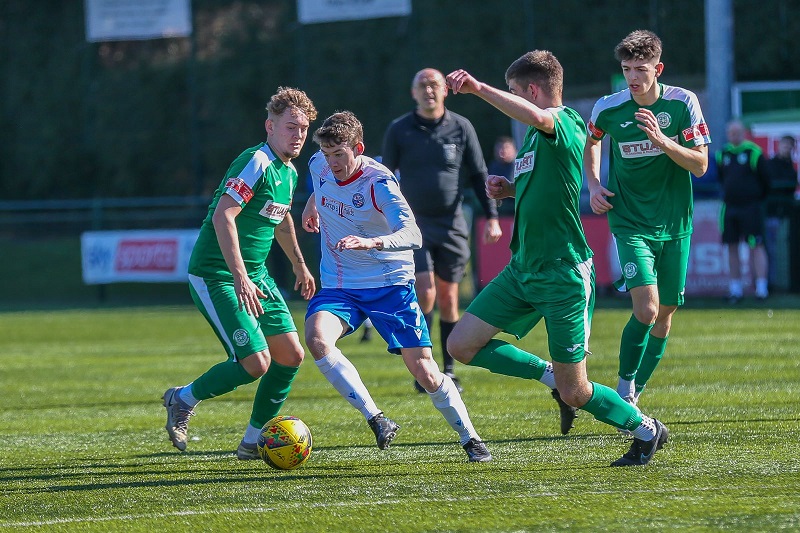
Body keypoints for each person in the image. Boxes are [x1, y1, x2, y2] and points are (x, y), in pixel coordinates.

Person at [445, 50, 669, 466]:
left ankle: (646, 429)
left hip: (564, 273)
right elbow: (550, 187)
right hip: (522, 269)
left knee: (576, 392)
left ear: (532, 91)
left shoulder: (562, 121)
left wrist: (477, 88)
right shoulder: (534, 138)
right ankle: (549, 373)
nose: (514, 99)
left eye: (516, 92)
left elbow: (543, 119)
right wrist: (509, 189)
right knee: (460, 345)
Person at [301, 111, 491, 462]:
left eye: (340, 154)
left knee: (425, 372)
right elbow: (321, 186)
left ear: (358, 148)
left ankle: (471, 438)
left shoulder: (379, 183)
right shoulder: (318, 163)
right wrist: (312, 205)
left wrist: (372, 242)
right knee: (316, 339)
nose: (332, 163)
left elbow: (413, 234)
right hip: (340, 285)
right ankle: (376, 418)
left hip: (389, 285)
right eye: (327, 155)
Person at [162, 87, 318, 458]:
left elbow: (281, 223)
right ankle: (182, 399)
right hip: (216, 274)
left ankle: (252, 442)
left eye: (303, 128)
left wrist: (299, 264)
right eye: (291, 126)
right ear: (270, 126)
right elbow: (223, 215)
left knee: (291, 355)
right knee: (255, 363)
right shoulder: (257, 161)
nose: (298, 135)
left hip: (255, 275)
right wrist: (239, 276)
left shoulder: (290, 172)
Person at [584, 30, 710, 406]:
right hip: (629, 221)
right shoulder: (608, 107)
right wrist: (593, 184)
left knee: (665, 315)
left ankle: (635, 389)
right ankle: (624, 390)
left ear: (658, 68)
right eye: (627, 69)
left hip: (675, 224)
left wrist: (664, 142)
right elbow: (593, 140)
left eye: (641, 68)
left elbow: (701, 165)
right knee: (647, 308)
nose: (633, 77)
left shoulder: (683, 102)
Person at [382, 68, 503, 393]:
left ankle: (448, 370)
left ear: (445, 91)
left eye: (434, 84)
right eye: (422, 85)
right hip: (413, 224)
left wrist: (491, 216)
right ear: (413, 92)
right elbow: (384, 175)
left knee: (449, 298)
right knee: (425, 292)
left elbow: (479, 174)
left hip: (451, 224)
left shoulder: (461, 127)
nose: (429, 90)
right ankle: (425, 368)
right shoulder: (399, 130)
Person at [716, 120, 770, 302]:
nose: (734, 136)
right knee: (732, 247)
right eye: (731, 132)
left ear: (743, 133)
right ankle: (735, 289)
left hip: (751, 207)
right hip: (730, 207)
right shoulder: (722, 153)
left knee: (756, 245)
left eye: (737, 132)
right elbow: (721, 178)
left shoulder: (753, 152)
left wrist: (755, 198)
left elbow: (765, 181)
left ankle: (761, 289)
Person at [487, 136, 518, 215]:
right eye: (500, 148)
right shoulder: (494, 166)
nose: (503, 151)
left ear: (514, 150)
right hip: (498, 211)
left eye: (506, 148)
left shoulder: (518, 164)